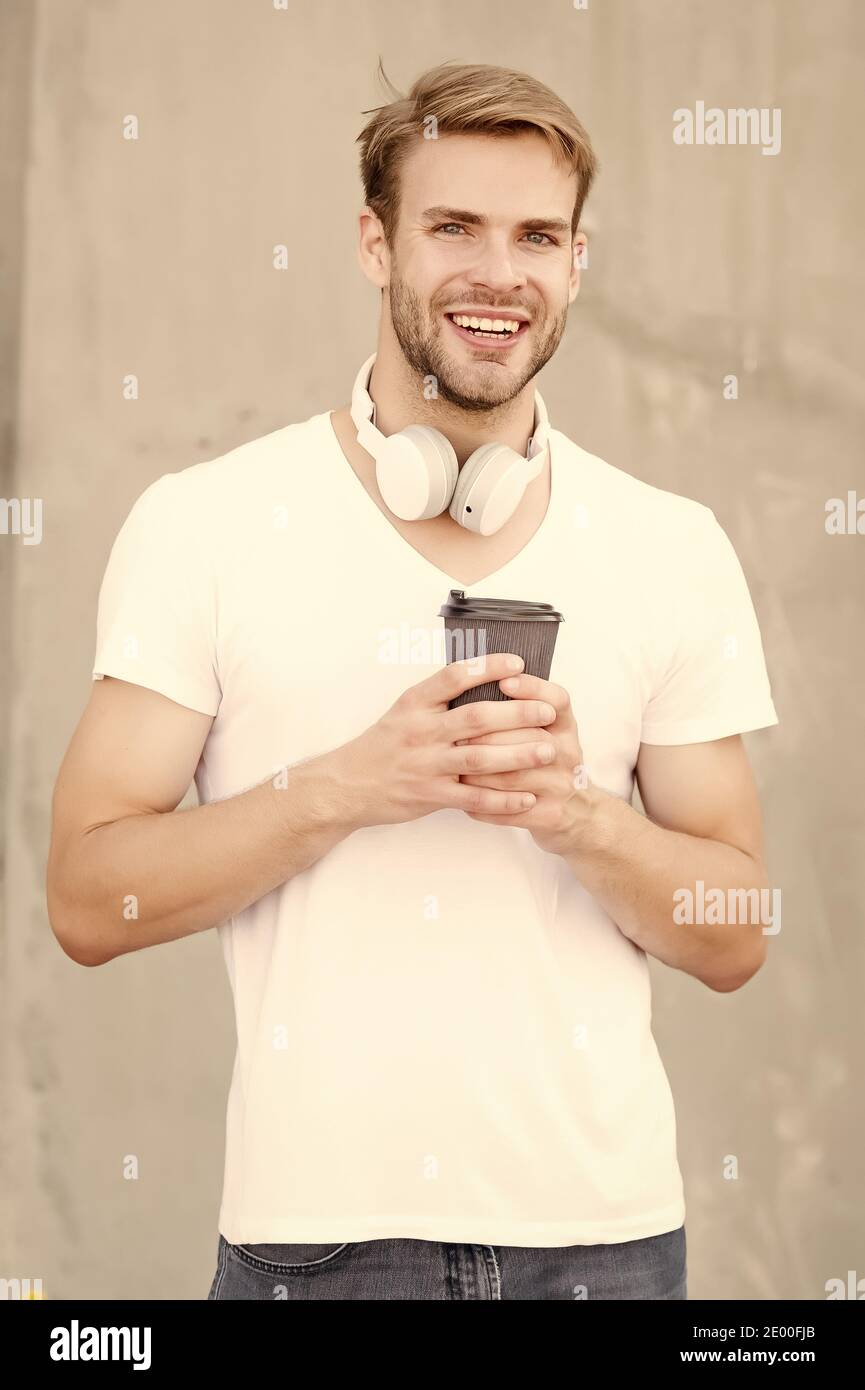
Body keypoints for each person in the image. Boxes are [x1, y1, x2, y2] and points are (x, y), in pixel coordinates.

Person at [47, 61, 778, 1301]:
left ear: (576, 262)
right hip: (319, 1248)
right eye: (454, 228)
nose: (500, 273)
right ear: (375, 245)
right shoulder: (208, 524)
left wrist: (579, 817)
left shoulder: (672, 545)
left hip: (608, 1248)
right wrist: (341, 788)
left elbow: (737, 934)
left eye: (536, 236)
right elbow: (84, 897)